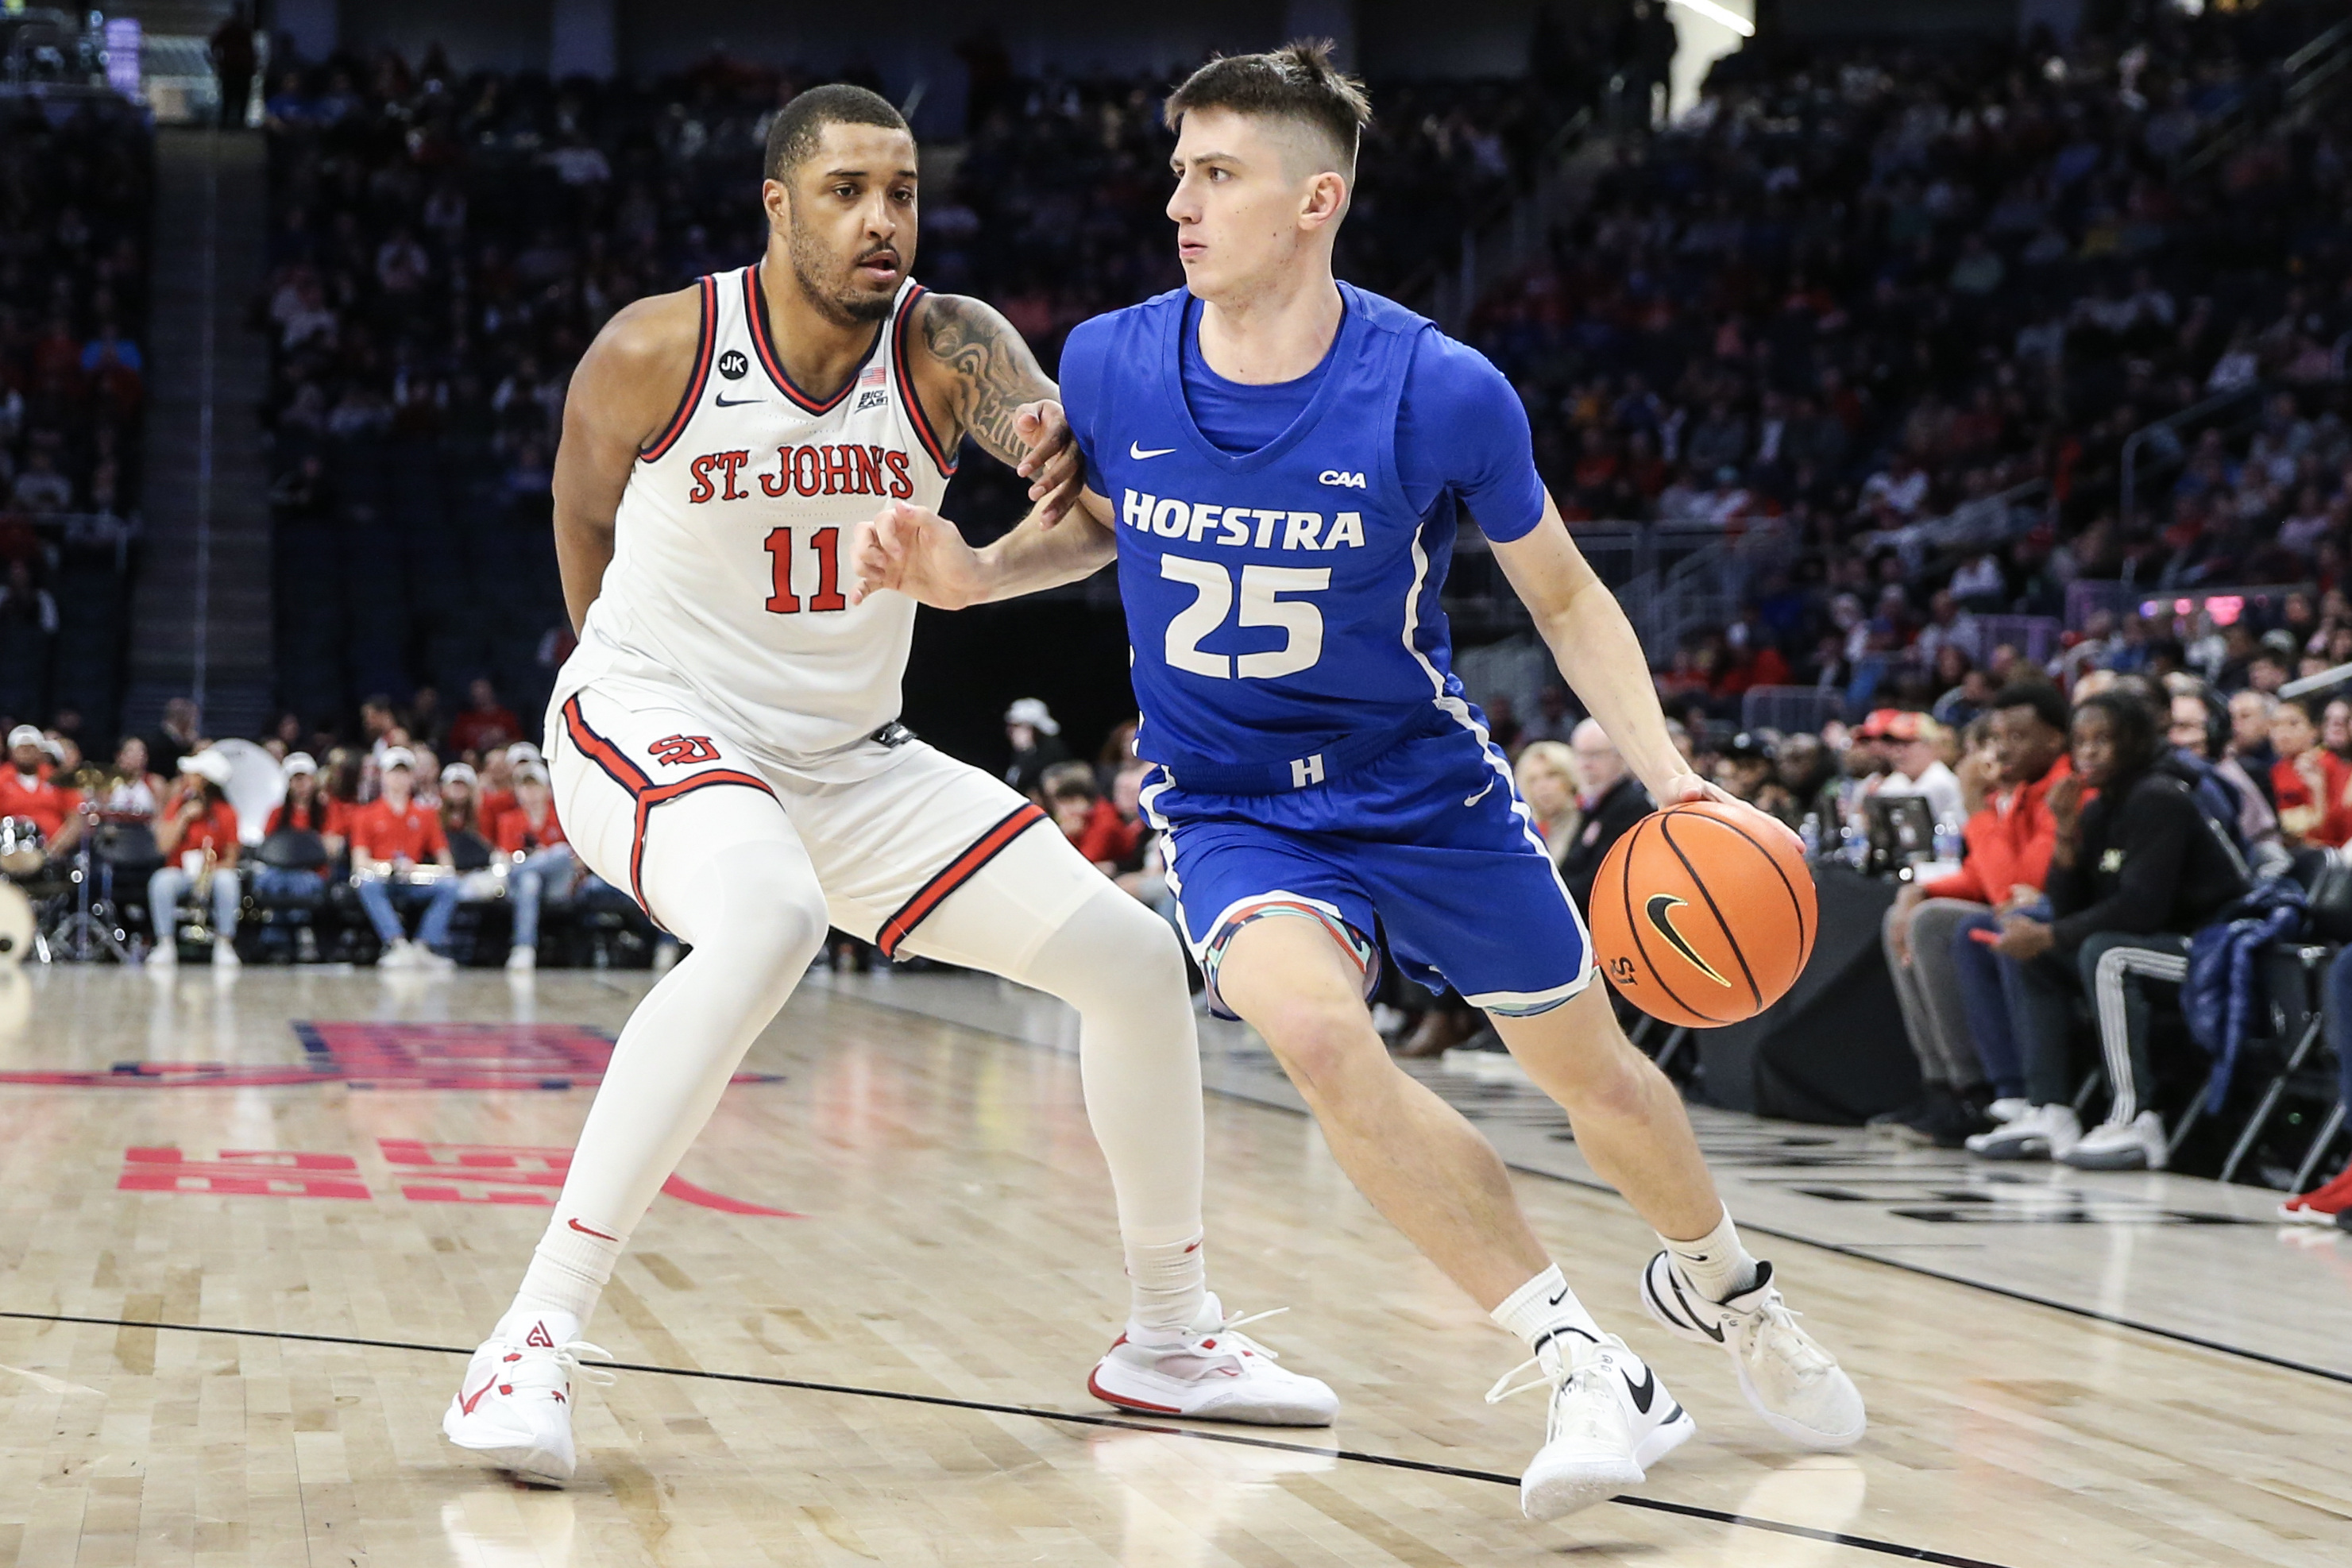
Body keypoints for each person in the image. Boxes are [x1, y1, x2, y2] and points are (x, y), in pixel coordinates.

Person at [852, 43, 1861, 1521]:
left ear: (1314, 198)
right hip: (1231, 799)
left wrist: (1672, 782)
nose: (1180, 201)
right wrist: (977, 575)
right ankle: (1583, 1356)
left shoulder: (1441, 389)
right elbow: (1104, 529)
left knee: (1594, 1076)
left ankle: (1725, 1280)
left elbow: (1570, 598)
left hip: (1420, 782)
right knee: (1320, 1040)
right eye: (1179, 169)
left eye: (1218, 173)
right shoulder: (1116, 358)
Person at [442, 83, 1331, 1488]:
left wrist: (1037, 504)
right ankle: (532, 1329)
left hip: (850, 755)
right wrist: (614, 666)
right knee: (767, 917)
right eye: (849, 190)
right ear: (778, 207)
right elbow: (582, 505)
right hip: (657, 716)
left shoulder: (950, 348)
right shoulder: (658, 347)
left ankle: (1169, 1332)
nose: (883, 221)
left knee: (1130, 960)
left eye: (903, 191)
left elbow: (1089, 518)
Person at [1972, 692, 2251, 1168]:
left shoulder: (2159, 798)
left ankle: (2136, 1119)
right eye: (2082, 741)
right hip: (2158, 942)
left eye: (2105, 740)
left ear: (2135, 744)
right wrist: (2064, 832)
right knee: (2035, 949)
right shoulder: (2100, 807)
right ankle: (2049, 1108)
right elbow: (2068, 907)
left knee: (2107, 955)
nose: (2090, 752)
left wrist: (2053, 935)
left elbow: (2141, 910)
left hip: (2214, 948)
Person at [1880, 684, 2070, 1145]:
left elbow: (2012, 890)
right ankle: (1942, 1084)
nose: (2002, 749)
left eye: (2017, 737)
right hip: (2021, 912)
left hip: (2056, 922)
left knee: (1940, 924)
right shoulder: (2021, 789)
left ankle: (1976, 1089)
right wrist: (1920, 888)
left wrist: (1973, 806)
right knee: (1906, 915)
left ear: (2055, 739)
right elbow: (1980, 878)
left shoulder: (2062, 788)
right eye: (1996, 737)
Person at [348, 747, 463, 969]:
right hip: (383, 879)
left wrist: (420, 870)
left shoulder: (426, 814)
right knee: (366, 883)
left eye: (404, 773)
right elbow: (360, 862)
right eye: (394, 773)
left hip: (414, 879)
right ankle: (396, 943)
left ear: (412, 777)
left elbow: (445, 861)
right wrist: (390, 867)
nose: (399, 779)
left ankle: (425, 945)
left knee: (450, 885)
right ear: (383, 776)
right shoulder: (366, 815)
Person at [147, 751, 242, 967]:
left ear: (206, 781)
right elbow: (163, 847)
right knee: (161, 881)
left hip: (212, 874)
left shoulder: (227, 813)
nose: (186, 778)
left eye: (194, 774)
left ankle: (224, 943)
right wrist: (183, 818)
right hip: (181, 873)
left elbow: (231, 859)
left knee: (227, 881)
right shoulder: (178, 804)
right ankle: (165, 943)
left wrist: (209, 870)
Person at [1558, 718, 1651, 912]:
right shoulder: (1593, 805)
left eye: (1595, 755)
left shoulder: (1630, 805)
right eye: (1579, 755)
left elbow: (1601, 879)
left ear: (1621, 757)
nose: (1586, 765)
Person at [493, 761, 575, 971]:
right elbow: (505, 858)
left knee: (560, 853)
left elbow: (575, 858)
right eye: (525, 787)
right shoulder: (509, 820)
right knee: (530, 881)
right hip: (522, 886)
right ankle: (524, 948)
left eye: (535, 786)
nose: (530, 793)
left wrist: (541, 858)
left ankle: (524, 949)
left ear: (547, 789)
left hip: (558, 884)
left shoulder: (561, 817)